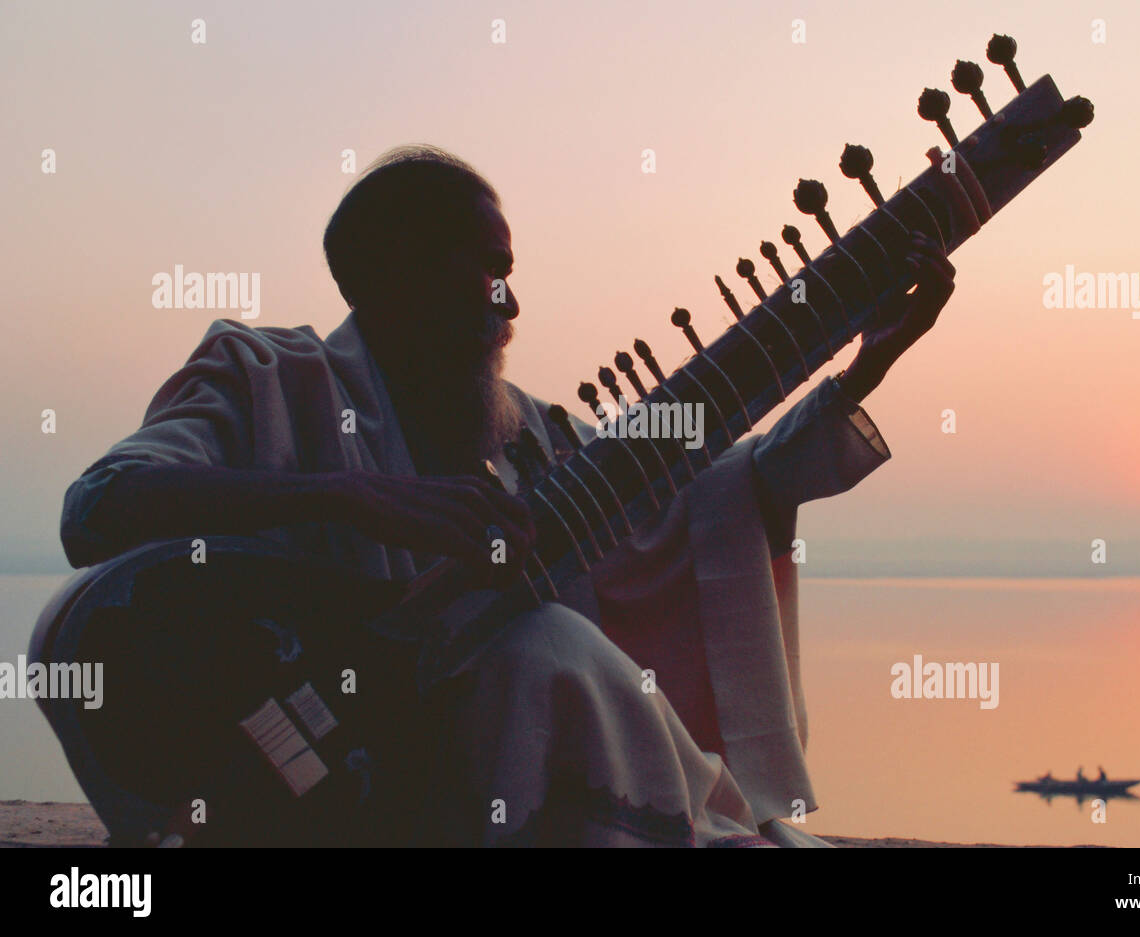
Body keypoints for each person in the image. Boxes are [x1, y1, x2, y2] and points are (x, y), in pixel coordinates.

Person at [59, 145, 957, 847]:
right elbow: (100, 505)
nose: (512, 301)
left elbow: (715, 498)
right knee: (545, 644)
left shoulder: (528, 437)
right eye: (489, 269)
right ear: (390, 277)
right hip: (281, 781)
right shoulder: (263, 375)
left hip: (444, 801)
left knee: (540, 645)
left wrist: (862, 363)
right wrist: (350, 496)